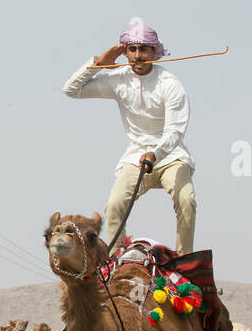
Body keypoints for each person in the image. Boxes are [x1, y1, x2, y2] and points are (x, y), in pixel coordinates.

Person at [63, 21, 198, 253]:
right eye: (132, 49)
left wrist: (155, 154)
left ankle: (184, 261)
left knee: (187, 201)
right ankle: (116, 262)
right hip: (136, 156)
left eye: (143, 49)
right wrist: (97, 63)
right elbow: (71, 90)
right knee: (114, 206)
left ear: (155, 52)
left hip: (171, 156)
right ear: (125, 53)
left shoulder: (171, 84)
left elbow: (175, 131)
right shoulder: (119, 79)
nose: (137, 56)